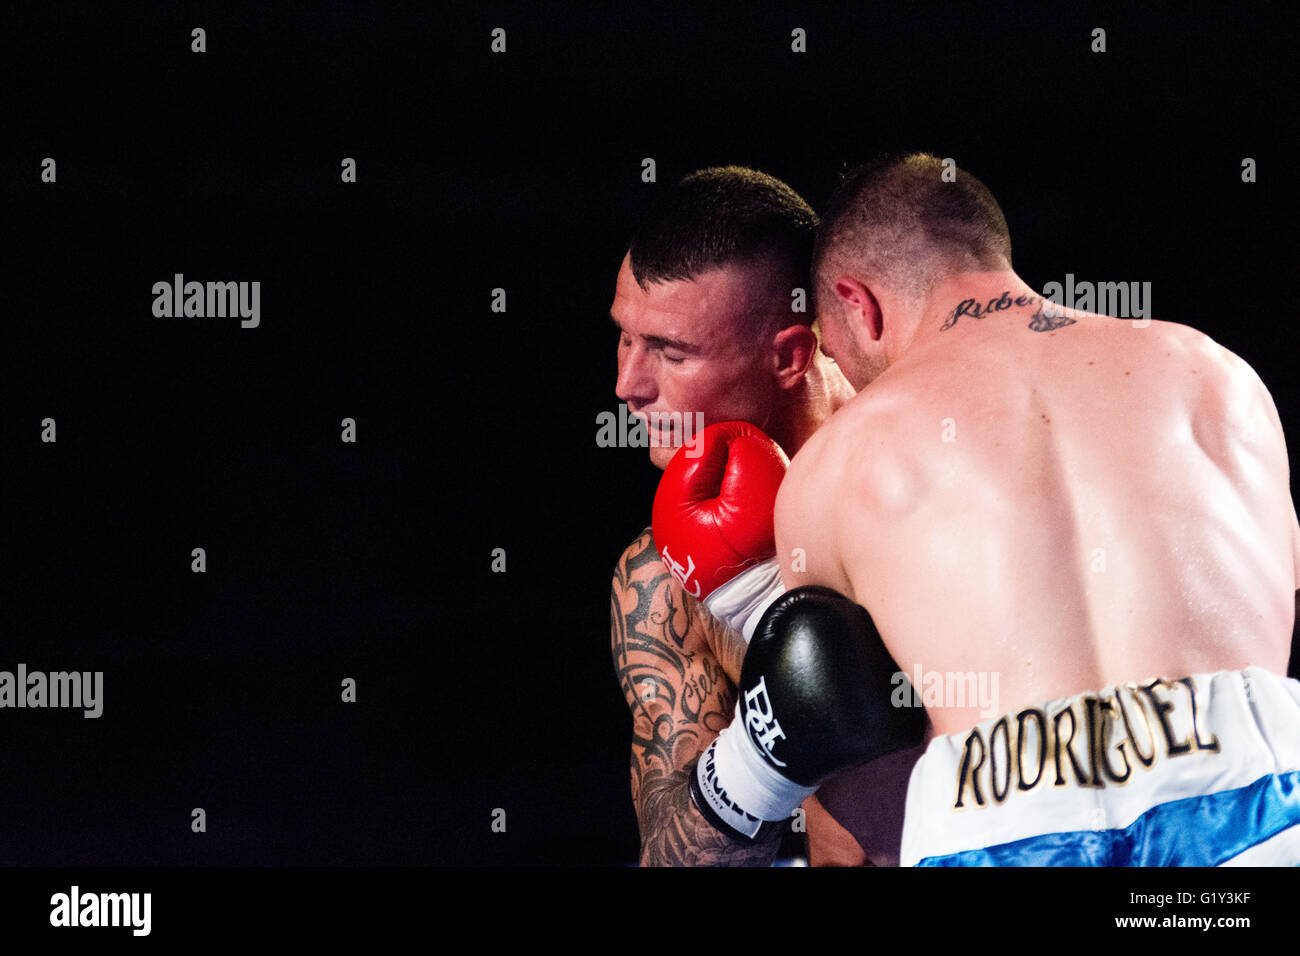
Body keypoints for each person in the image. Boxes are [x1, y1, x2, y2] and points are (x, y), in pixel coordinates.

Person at [687, 152, 1300, 865]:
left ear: (858, 305)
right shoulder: (1217, 375)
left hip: (1007, 821)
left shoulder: (837, 464)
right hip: (1260, 793)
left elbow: (869, 827)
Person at [608, 165, 883, 865]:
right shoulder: (667, 577)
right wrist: (759, 760)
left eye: (670, 352)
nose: (628, 386)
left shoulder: (926, 471)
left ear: (791, 355)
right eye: (625, 338)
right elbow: (671, 857)